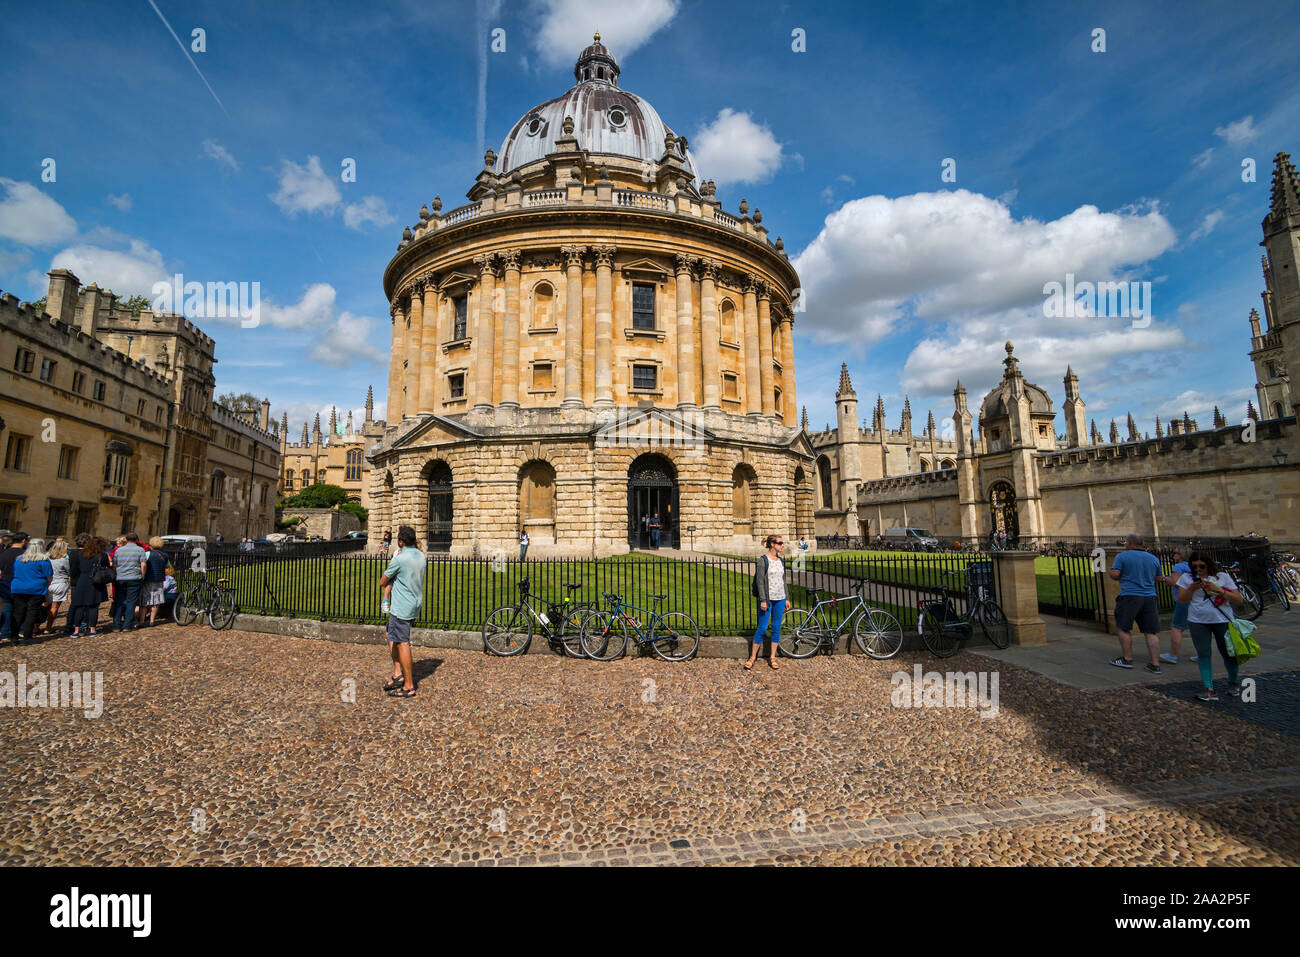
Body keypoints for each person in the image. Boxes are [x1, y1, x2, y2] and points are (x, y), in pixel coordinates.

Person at [1177, 550, 1246, 702]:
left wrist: (1219, 590)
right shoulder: (1187, 578)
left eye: (1201, 566)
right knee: (1203, 654)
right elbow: (1182, 600)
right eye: (1194, 566)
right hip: (1198, 620)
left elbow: (1238, 600)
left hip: (1221, 620)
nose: (1198, 569)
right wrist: (1192, 588)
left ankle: (1233, 682)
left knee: (1228, 653)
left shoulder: (1222, 577)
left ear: (1209, 565)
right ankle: (1208, 688)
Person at [379, 525, 426, 698]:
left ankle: (408, 685)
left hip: (401, 607)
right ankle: (398, 673)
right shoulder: (421, 556)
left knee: (402, 642)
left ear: (400, 541)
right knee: (390, 634)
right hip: (414, 603)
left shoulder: (400, 558)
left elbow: (382, 581)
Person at [1108, 533, 1163, 673]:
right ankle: (1155, 664)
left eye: (1126, 542)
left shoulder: (1123, 556)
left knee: (1123, 627)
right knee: (1150, 632)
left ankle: (1127, 659)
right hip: (1150, 597)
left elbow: (1114, 574)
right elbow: (1158, 578)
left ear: (1129, 543)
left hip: (1130, 596)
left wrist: (1121, 575)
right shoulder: (1153, 558)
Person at [746, 534, 790, 671]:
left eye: (782, 543)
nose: (782, 545)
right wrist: (763, 600)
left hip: (780, 598)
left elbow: (783, 581)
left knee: (776, 627)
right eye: (780, 543)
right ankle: (752, 657)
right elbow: (760, 582)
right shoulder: (763, 561)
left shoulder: (780, 560)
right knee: (762, 628)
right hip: (768, 600)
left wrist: (787, 598)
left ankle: (772, 657)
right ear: (772, 544)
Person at [10, 537, 53, 644]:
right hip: (35, 588)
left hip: (18, 587)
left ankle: (14, 637)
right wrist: (46, 586)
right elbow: (49, 576)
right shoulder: (43, 560)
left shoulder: (19, 559)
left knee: (18, 612)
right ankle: (27, 637)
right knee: (31, 612)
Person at [68, 536, 110, 637]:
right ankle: (92, 630)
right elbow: (107, 566)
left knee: (79, 607)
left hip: (82, 580)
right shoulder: (101, 555)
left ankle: (76, 631)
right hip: (95, 581)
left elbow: (76, 569)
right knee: (93, 607)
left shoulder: (81, 554)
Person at [109, 532, 148, 633]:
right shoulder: (140, 550)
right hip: (134, 578)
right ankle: (127, 625)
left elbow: (114, 565)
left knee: (119, 601)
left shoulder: (119, 550)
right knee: (131, 602)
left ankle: (116, 625)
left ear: (126, 540)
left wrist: (117, 573)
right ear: (137, 540)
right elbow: (143, 565)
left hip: (120, 578)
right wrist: (142, 575)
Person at [1160, 547, 1192, 664]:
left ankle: (1173, 655)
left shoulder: (1179, 567)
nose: (1174, 555)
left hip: (1183, 599)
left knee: (1177, 628)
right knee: (1197, 628)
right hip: (1195, 599)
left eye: (1176, 553)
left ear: (1181, 555)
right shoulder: (1193, 565)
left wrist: (1165, 578)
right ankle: (1202, 655)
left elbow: (1176, 582)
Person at [0, 531, 29, 643]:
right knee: (20, 609)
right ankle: (19, 631)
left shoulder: (4, 554)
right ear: (23, 541)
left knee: (7, 608)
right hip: (21, 582)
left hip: (5, 582)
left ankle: (5, 632)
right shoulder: (25, 555)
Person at [40, 539, 71, 637]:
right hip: (60, 583)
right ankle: (48, 628)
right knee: (54, 607)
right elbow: (69, 571)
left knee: (44, 605)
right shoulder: (64, 560)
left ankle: (36, 626)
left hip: (47, 583)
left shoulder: (46, 558)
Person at [138, 536, 170, 627]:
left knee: (144, 601)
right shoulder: (164, 555)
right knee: (156, 601)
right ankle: (152, 621)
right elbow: (168, 566)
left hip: (148, 579)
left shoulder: (147, 554)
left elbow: (142, 564)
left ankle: (141, 621)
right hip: (159, 579)